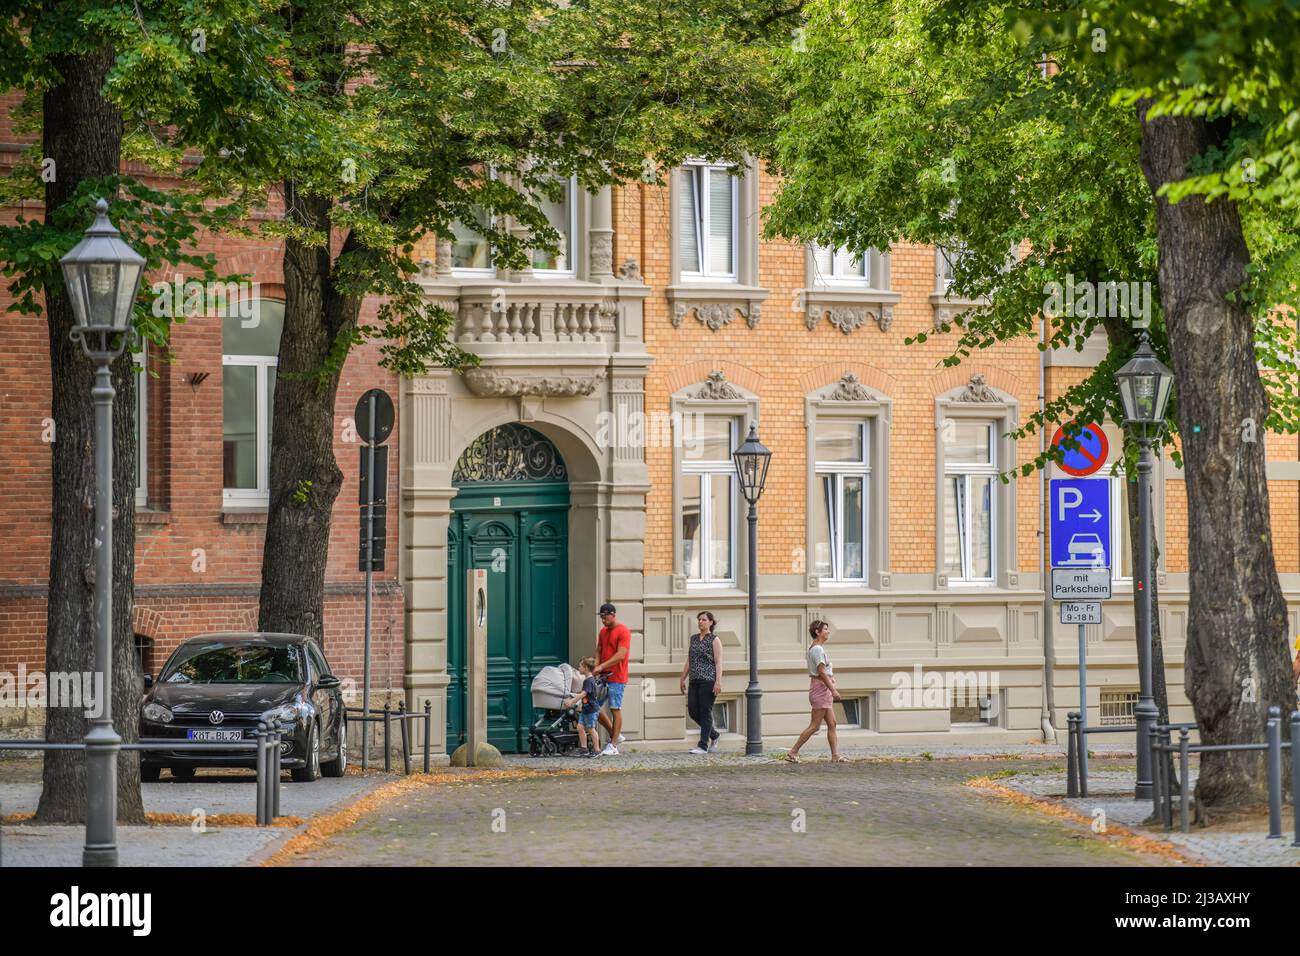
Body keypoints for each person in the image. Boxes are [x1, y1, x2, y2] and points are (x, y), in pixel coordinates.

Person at [784, 620, 847, 763]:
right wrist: (833, 690)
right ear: (817, 632)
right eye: (825, 629)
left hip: (820, 689)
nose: (828, 631)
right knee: (815, 725)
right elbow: (822, 672)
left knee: (832, 723)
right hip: (821, 690)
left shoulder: (815, 648)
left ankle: (835, 755)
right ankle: (792, 752)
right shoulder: (818, 649)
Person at [680, 611, 723, 754]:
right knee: (693, 711)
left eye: (703, 619)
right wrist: (682, 678)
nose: (700, 622)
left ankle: (703, 746)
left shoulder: (714, 640)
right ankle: (714, 735)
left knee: (705, 712)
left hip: (708, 680)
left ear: (710, 622)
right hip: (694, 680)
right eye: (699, 619)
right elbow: (690, 660)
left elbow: (718, 663)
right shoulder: (693, 639)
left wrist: (718, 682)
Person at [594, 602, 632, 756]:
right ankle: (615, 734)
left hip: (617, 676)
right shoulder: (603, 632)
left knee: (615, 708)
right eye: (601, 617)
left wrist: (602, 666)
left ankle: (614, 745)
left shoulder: (623, 631)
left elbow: (621, 655)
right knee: (593, 707)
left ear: (613, 615)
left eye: (605, 617)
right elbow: (599, 650)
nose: (603, 620)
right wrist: (596, 666)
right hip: (603, 677)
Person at [562, 656, 603, 757]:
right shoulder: (587, 680)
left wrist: (572, 701)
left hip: (591, 710)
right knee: (580, 727)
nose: (578, 668)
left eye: (580, 666)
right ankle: (584, 749)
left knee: (591, 729)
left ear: (586, 668)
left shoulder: (589, 681)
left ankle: (597, 750)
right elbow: (583, 692)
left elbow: (584, 694)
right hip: (586, 709)